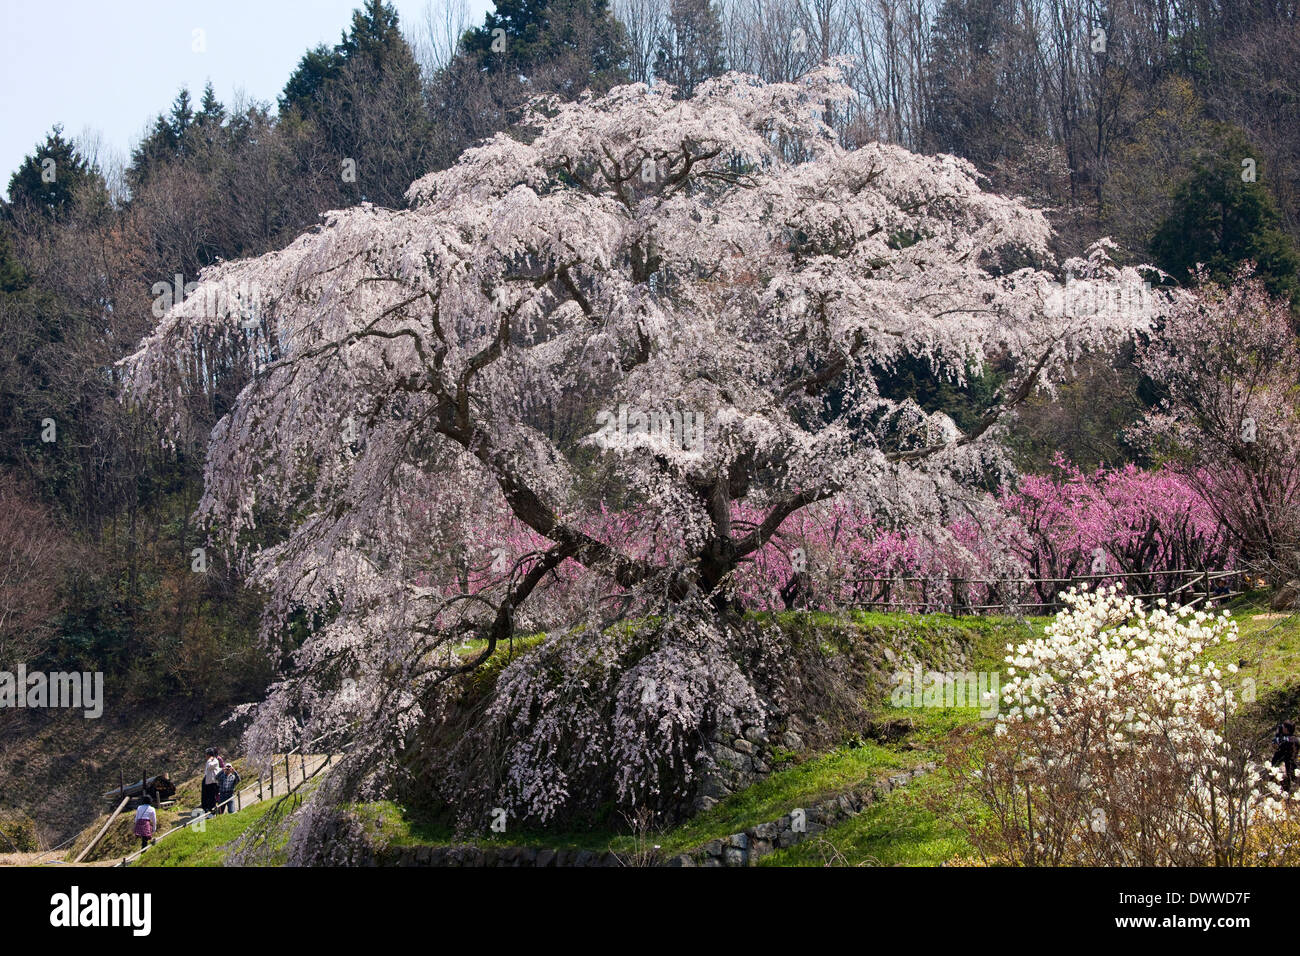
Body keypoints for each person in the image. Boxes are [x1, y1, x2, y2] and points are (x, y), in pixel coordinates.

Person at [1272, 720, 1298, 792]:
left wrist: (1277, 735)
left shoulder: (1285, 739)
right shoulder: (1296, 739)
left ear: (1286, 729)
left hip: (1281, 767)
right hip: (1291, 767)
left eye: (1283, 727)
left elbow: (1275, 745)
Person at [201, 747, 221, 814]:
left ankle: (213, 812)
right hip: (209, 782)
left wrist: (209, 760)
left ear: (210, 755)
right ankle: (208, 810)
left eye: (206, 754)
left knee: (212, 798)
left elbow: (209, 766)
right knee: (208, 797)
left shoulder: (215, 760)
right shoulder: (209, 761)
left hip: (213, 782)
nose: (205, 756)